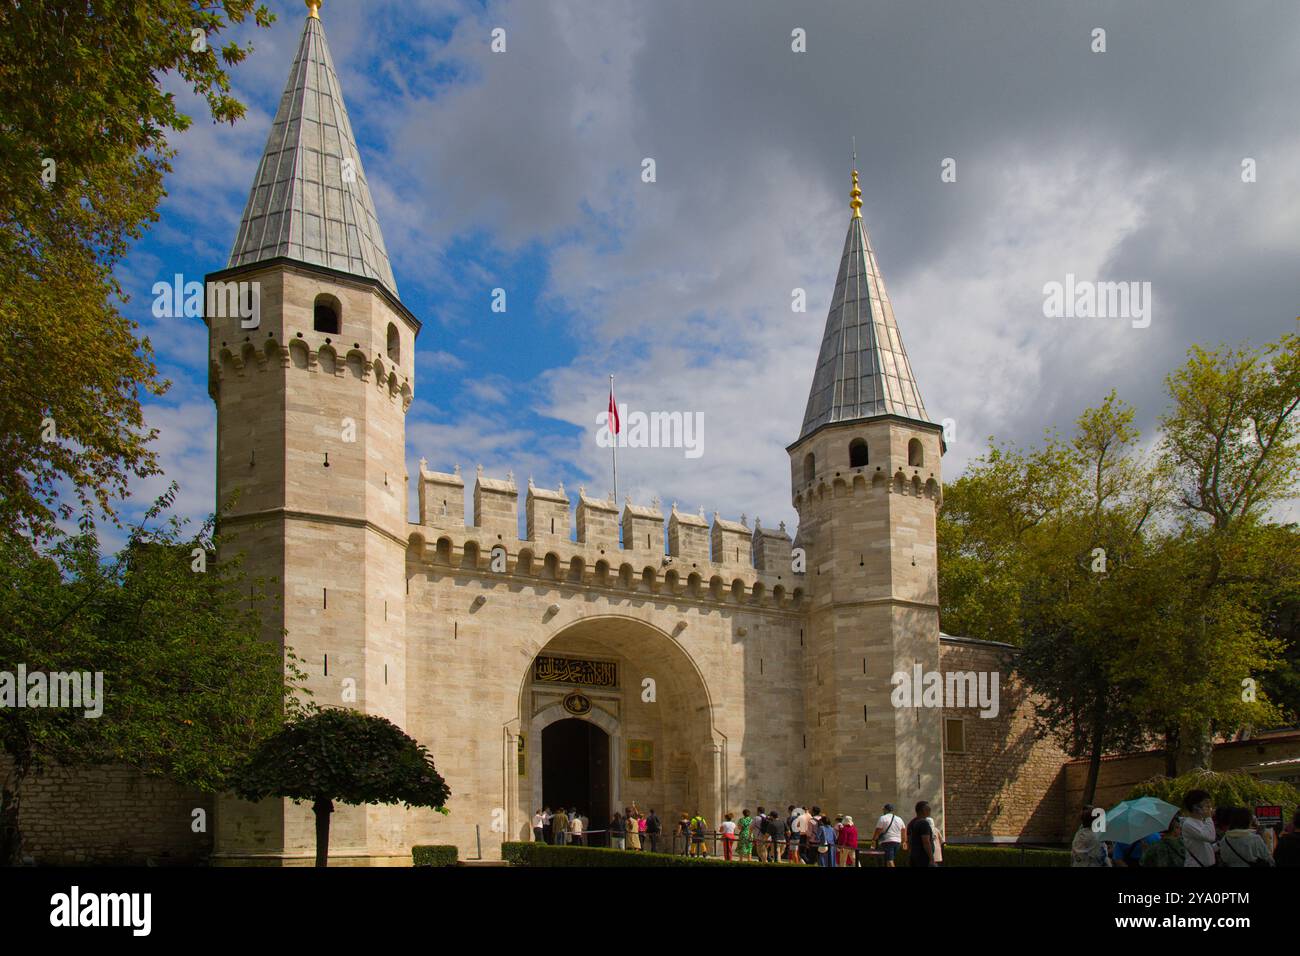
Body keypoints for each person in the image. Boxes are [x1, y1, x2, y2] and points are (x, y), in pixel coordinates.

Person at [1181, 790, 1217, 868]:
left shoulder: (1202, 821)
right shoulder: (1189, 824)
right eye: (1206, 803)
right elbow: (1210, 837)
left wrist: (1217, 846)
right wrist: (1208, 817)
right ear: (1195, 806)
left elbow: (1205, 846)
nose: (1209, 806)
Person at [907, 802, 935, 868]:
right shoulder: (924, 823)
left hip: (914, 856)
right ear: (922, 811)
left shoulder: (912, 822)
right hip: (923, 857)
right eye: (928, 808)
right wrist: (931, 858)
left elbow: (909, 841)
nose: (930, 810)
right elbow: (926, 842)